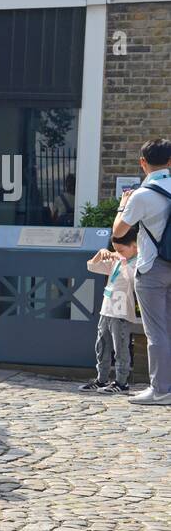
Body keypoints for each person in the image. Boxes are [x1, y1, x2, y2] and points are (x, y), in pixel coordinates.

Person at [113, 138, 171, 405]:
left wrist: (123, 205)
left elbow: (119, 233)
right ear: (170, 162)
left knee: (156, 331)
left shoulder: (143, 195)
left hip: (152, 268)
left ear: (143, 163)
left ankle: (160, 390)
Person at [80, 229, 140, 394]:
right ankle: (101, 379)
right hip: (106, 309)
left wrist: (121, 259)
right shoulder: (117, 260)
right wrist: (101, 253)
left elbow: (132, 280)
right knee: (102, 345)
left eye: (121, 249)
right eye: (115, 249)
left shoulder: (136, 262)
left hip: (121, 312)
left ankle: (121, 382)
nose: (117, 252)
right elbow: (92, 266)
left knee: (120, 347)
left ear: (134, 246)